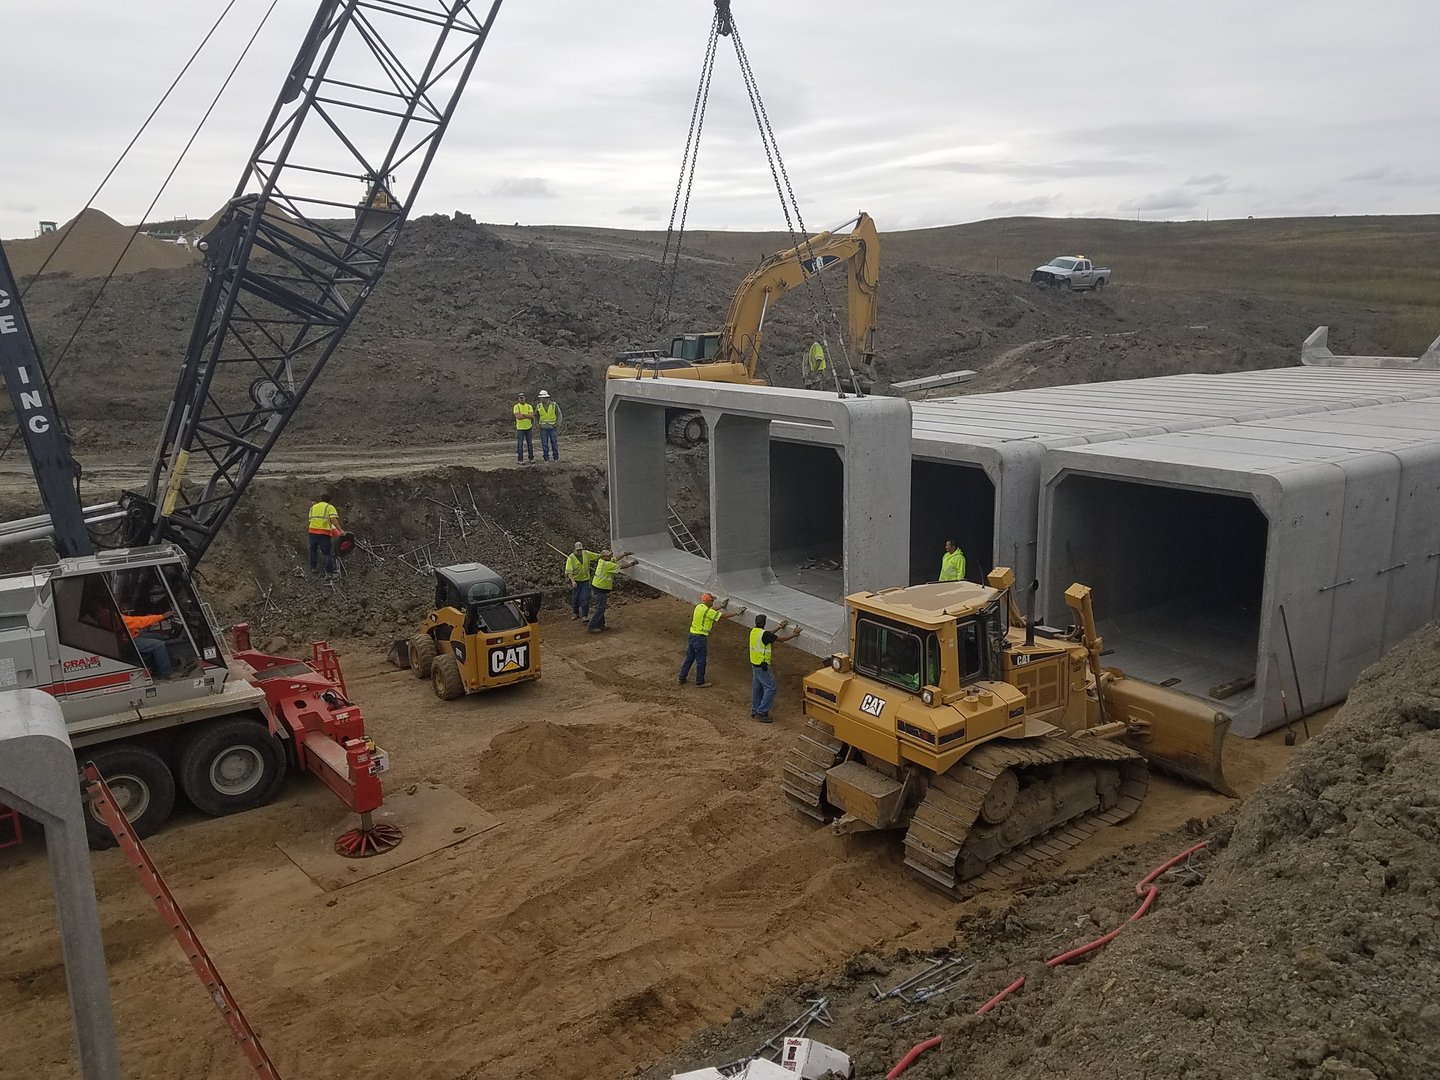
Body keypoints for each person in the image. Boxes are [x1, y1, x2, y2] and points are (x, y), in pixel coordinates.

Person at [678, 592, 745, 688]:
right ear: (708, 601)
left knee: (689, 658)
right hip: (700, 639)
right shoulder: (708, 612)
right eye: (712, 601)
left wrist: (721, 606)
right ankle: (700, 682)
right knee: (701, 661)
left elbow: (711, 610)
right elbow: (723, 615)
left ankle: (682, 676)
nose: (713, 602)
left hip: (692, 636)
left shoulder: (699, 607)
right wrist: (736, 613)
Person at [749, 614, 802, 722]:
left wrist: (779, 627)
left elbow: (768, 635)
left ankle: (755, 710)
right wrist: (794, 634)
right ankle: (762, 711)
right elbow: (781, 639)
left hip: (755, 665)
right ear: (764, 623)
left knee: (757, 688)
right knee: (771, 688)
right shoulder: (765, 635)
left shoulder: (754, 631)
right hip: (763, 666)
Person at [587, 549, 636, 633]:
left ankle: (601, 625)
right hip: (600, 588)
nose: (610, 556)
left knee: (600, 607)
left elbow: (615, 559)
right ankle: (591, 626)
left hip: (597, 587)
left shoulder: (601, 561)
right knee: (600, 609)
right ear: (604, 557)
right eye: (609, 555)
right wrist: (632, 564)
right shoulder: (607, 565)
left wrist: (624, 554)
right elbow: (621, 566)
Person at [123, 610, 176, 679]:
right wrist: (162, 616)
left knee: (158, 637)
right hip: (128, 640)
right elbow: (139, 621)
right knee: (159, 645)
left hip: (132, 635)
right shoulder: (115, 615)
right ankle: (166, 673)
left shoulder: (112, 612)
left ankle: (167, 663)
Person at [308, 494, 341, 576]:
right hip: (323, 533)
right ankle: (329, 572)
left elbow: (310, 520)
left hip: (312, 532)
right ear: (329, 501)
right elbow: (333, 519)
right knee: (327, 553)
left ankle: (314, 568)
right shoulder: (329, 507)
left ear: (321, 499)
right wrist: (340, 530)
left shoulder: (313, 507)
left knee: (313, 549)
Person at [565, 542, 600, 620]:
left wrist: (603, 555)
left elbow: (596, 556)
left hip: (585, 580)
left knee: (585, 597)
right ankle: (575, 613)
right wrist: (573, 581)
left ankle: (585, 615)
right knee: (575, 598)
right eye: (578, 550)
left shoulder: (586, 554)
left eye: (580, 550)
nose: (579, 552)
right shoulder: (571, 558)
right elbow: (569, 572)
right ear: (575, 550)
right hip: (576, 581)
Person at [536, 390, 562, 462]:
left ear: (546, 398)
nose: (541, 399)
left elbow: (559, 415)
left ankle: (556, 458)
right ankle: (546, 458)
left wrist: (557, 424)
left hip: (552, 427)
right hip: (543, 428)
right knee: (544, 444)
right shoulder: (539, 406)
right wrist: (537, 425)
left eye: (542, 398)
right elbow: (536, 417)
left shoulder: (554, 405)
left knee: (554, 443)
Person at [513, 393, 535, 462]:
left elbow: (532, 416)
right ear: (518, 399)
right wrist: (527, 415)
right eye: (520, 398)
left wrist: (523, 415)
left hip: (528, 427)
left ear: (525, 398)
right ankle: (520, 459)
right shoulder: (516, 407)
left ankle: (531, 458)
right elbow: (518, 417)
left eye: (522, 397)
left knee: (530, 444)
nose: (521, 399)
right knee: (520, 444)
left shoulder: (529, 406)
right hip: (520, 428)